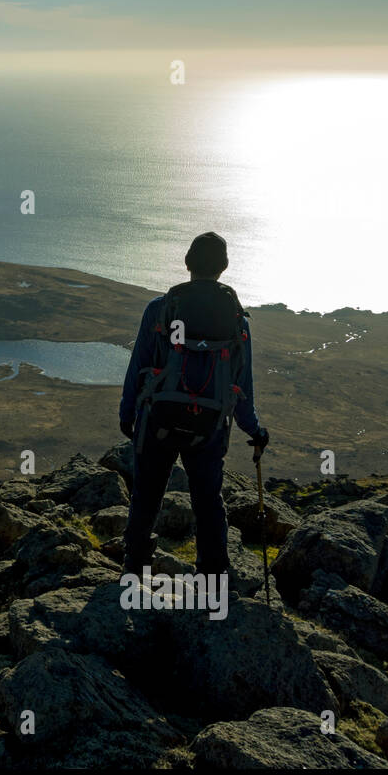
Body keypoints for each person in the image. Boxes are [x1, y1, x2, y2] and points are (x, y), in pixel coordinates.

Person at [117, 232, 269, 579]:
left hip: (158, 419)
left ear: (188, 262)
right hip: (210, 426)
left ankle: (135, 566)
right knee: (207, 500)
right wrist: (255, 430)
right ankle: (213, 574)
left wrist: (128, 413)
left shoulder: (160, 309)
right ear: (224, 267)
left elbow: (138, 365)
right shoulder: (236, 321)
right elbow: (242, 385)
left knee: (147, 493)